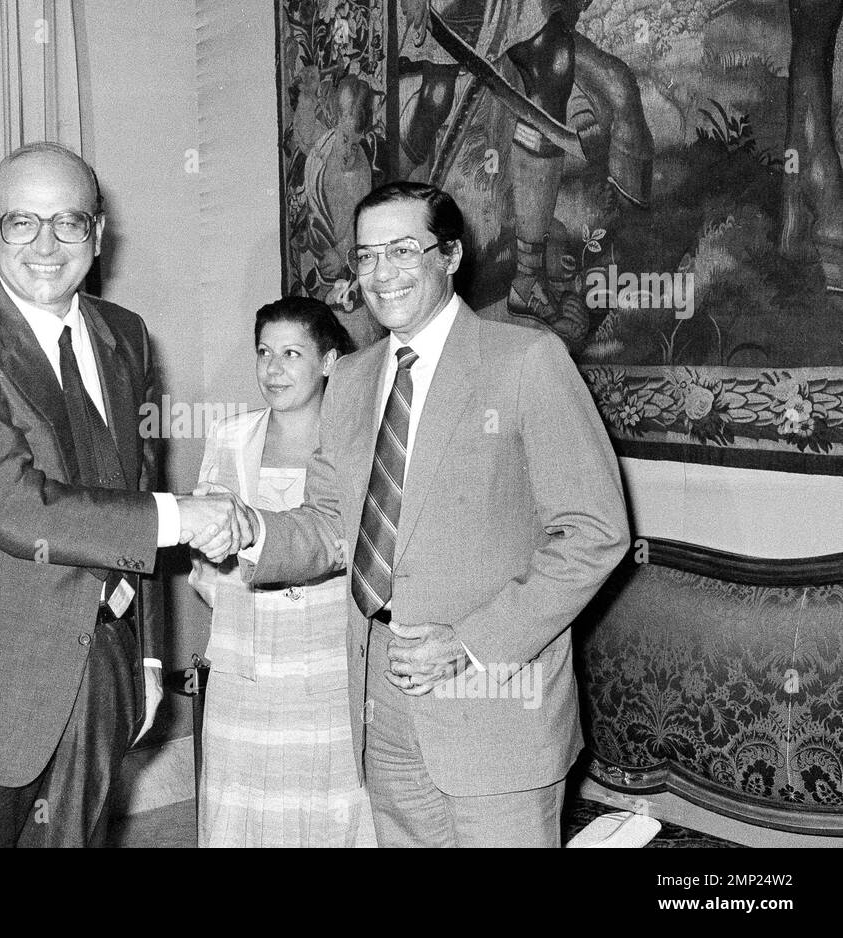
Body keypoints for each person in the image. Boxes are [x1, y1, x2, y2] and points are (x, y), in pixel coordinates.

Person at [201, 180, 629, 847]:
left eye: (402, 250)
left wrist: (470, 644)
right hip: (381, 704)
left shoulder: (526, 361)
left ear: (450, 255)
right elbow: (330, 525)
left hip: (493, 704)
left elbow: (596, 534)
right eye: (366, 257)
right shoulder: (349, 380)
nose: (380, 273)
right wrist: (250, 529)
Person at [0, 141, 252, 847]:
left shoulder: (126, 337)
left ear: (98, 232)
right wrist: (185, 518)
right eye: (22, 222)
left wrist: (143, 659)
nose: (45, 245)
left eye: (68, 222)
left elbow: (136, 488)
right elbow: (9, 507)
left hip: (99, 675)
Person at [189, 297, 375, 847]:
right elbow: (204, 556)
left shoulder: (358, 443)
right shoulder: (230, 436)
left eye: (292, 353)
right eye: (264, 352)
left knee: (330, 795)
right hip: (244, 653)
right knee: (242, 797)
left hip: (329, 653)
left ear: (329, 363)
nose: (273, 368)